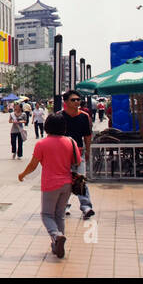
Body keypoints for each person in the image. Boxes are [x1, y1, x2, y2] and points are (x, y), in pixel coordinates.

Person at [18, 114, 78, 258]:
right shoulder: (71, 141)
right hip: (67, 183)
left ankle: (56, 236)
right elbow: (77, 162)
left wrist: (22, 174)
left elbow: (33, 165)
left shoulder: (42, 144)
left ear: (46, 127)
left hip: (50, 184)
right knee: (60, 215)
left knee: (46, 214)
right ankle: (57, 244)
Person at [57, 90, 95, 219]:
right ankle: (64, 206)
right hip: (62, 155)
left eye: (78, 99)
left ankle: (86, 207)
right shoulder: (59, 116)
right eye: (73, 100)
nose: (77, 102)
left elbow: (87, 136)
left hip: (79, 153)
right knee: (64, 182)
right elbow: (54, 136)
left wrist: (88, 150)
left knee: (80, 180)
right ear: (66, 102)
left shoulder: (84, 116)